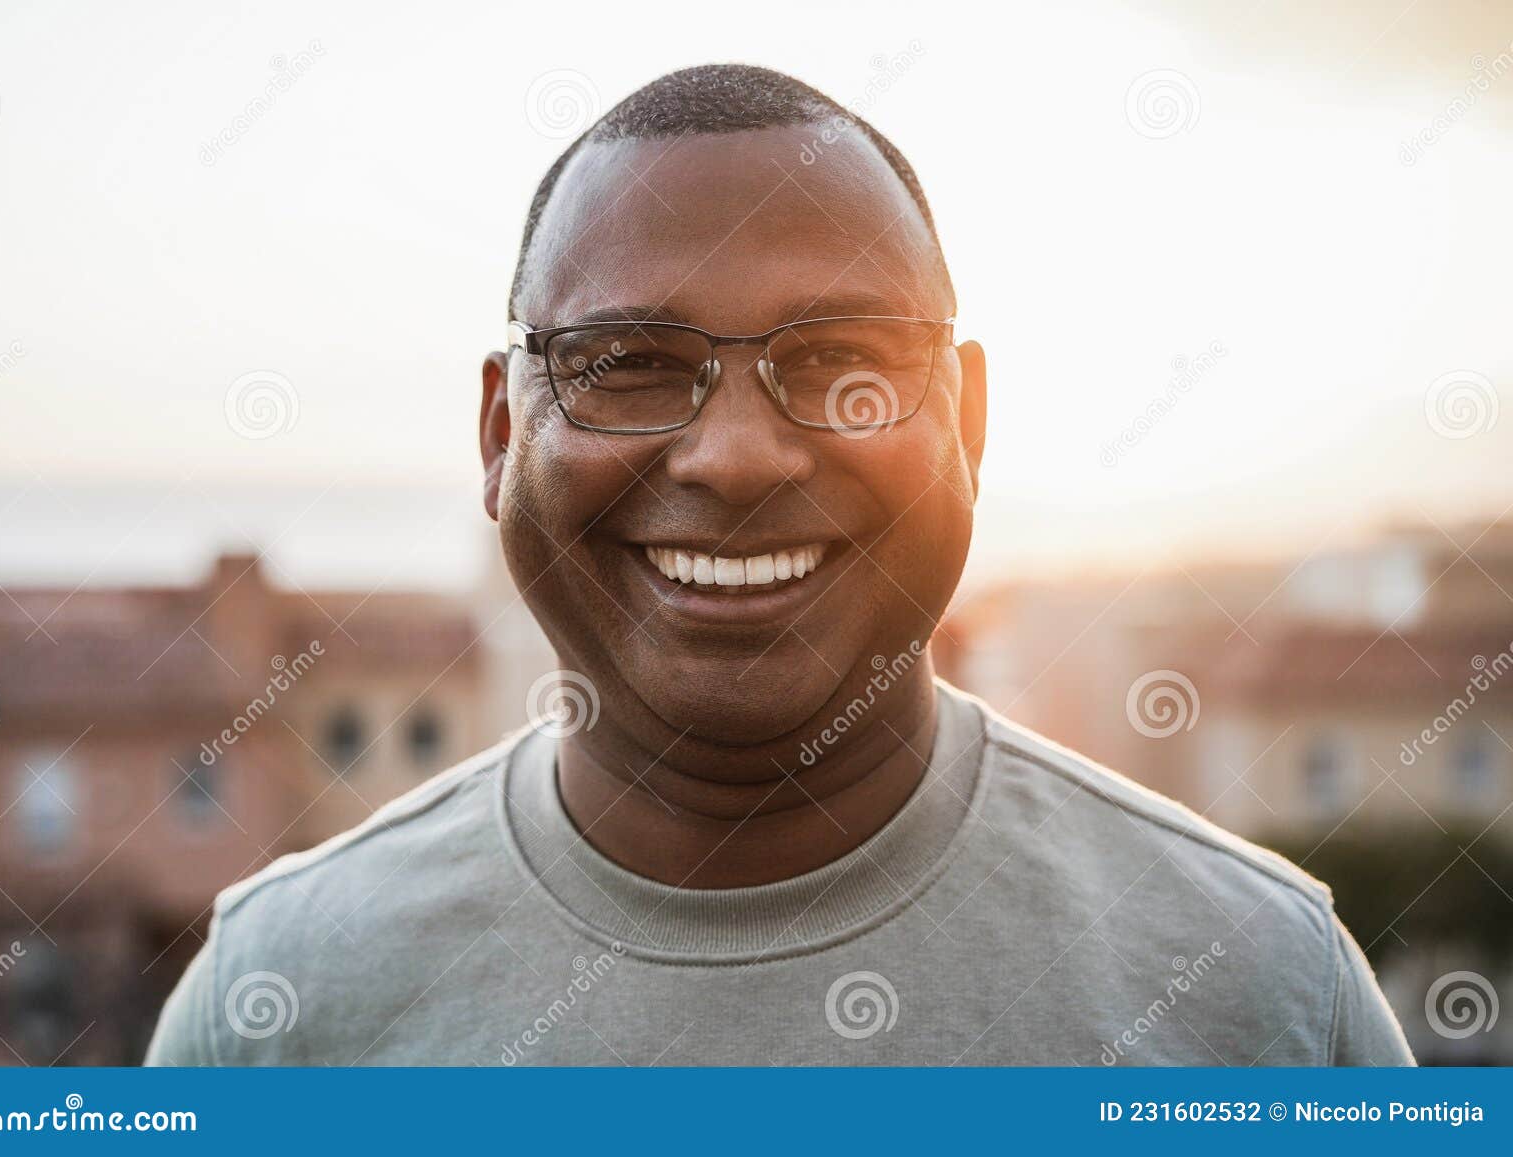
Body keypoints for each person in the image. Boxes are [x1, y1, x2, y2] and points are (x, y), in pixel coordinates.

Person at [147, 64, 1412, 1066]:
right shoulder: (280, 1008)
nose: (737, 457)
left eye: (841, 359)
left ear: (964, 428)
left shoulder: (1261, 987)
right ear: (497, 435)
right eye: (625, 362)